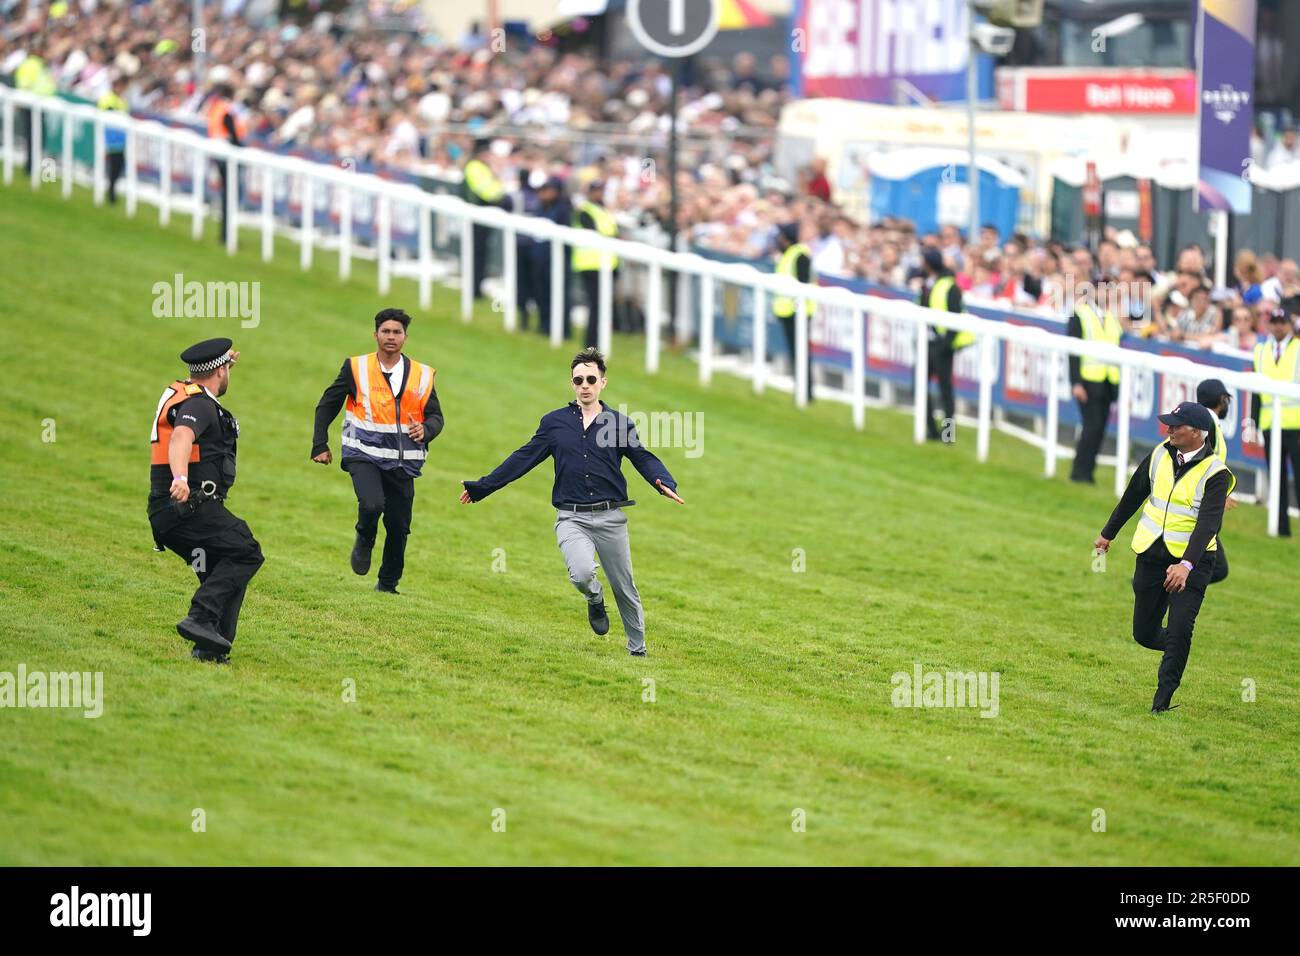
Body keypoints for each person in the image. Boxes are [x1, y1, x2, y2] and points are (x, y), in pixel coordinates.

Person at [458, 347, 684, 656]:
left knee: (624, 587)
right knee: (581, 573)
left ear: (603, 382)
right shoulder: (554, 424)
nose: (585, 385)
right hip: (571, 518)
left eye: (591, 379)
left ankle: (637, 649)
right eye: (579, 380)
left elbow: (642, 458)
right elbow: (523, 458)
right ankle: (594, 599)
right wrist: (483, 487)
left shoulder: (619, 424)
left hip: (610, 518)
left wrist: (663, 482)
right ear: (572, 383)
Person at [1094, 402, 1234, 713]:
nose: (1168, 429)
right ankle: (1177, 647)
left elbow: (1209, 524)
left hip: (1193, 564)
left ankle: (1162, 703)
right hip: (1151, 555)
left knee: (1181, 627)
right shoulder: (1159, 454)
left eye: (1176, 426)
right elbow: (1134, 493)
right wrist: (1108, 533)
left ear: (1196, 433)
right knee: (1144, 633)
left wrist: (1186, 565)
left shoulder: (1217, 474)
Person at [311, 309, 445, 593]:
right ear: (375, 335)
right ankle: (364, 538)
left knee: (399, 526)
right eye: (386, 331)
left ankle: (387, 584)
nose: (391, 337)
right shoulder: (356, 367)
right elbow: (327, 403)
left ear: (405, 337)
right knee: (372, 504)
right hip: (363, 453)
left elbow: (436, 416)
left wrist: (426, 429)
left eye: (397, 332)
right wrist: (319, 443)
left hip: (402, 462)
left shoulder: (421, 375)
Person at [148, 338, 264, 663]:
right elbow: (183, 437)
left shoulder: (188, 392)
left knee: (222, 570)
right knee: (246, 551)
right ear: (219, 371)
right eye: (227, 368)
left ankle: (210, 649)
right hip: (189, 506)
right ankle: (199, 617)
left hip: (170, 511)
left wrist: (224, 361)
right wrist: (181, 479)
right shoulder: (199, 405)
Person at [1248, 308, 1300, 537]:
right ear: (1269, 325)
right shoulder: (1260, 351)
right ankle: (1281, 528)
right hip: (1271, 424)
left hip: (1295, 425)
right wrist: (1253, 422)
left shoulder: (1298, 349)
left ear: (1289, 324)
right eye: (1275, 322)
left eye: (1282, 322)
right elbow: (1257, 392)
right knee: (1275, 478)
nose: (1279, 326)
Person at [1068, 292, 1123, 483]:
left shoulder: (1112, 316)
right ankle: (1079, 472)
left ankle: (1088, 473)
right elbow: (1072, 351)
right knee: (1091, 427)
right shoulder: (1079, 314)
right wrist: (1075, 383)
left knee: (1099, 430)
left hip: (1108, 382)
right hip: (1088, 381)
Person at [919, 248, 970, 440]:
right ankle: (932, 431)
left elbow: (956, 318)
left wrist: (945, 345)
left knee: (945, 391)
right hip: (928, 344)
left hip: (942, 347)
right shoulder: (927, 283)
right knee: (920, 387)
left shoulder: (950, 286)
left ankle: (948, 435)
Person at [571, 180, 621, 349]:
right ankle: (591, 342)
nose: (600, 194)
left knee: (602, 306)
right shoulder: (585, 210)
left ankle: (597, 341)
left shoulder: (604, 210)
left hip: (606, 264)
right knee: (596, 306)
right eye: (597, 190)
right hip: (591, 265)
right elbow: (599, 234)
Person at [1196, 378, 1236, 584]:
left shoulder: (1204, 422)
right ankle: (1162, 584)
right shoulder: (1208, 424)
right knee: (1217, 568)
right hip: (1202, 508)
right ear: (1222, 400)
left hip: (1203, 504)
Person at [772, 221, 815, 403]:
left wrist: (799, 310)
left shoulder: (800, 255)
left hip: (797, 313)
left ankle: (806, 392)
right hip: (788, 312)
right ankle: (801, 389)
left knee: (801, 353)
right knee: (795, 353)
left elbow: (803, 284)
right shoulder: (789, 254)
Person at [462, 138, 506, 300]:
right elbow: (490, 193)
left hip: (481, 216)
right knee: (477, 254)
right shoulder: (475, 167)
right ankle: (474, 289)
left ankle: (477, 287)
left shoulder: (480, 167)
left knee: (480, 254)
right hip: (476, 217)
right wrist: (498, 183)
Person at [531, 176, 573, 340]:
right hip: (540, 258)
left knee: (559, 295)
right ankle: (544, 325)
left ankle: (562, 330)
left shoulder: (563, 209)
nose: (544, 194)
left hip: (557, 261)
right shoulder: (540, 207)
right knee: (542, 293)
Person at [206, 84, 246, 245]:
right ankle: (226, 235)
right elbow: (232, 132)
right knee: (230, 195)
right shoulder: (227, 109)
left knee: (227, 194)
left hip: (217, 151)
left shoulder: (216, 107)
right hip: (227, 153)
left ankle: (225, 234)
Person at [97, 75, 128, 205]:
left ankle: (111, 190)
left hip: (120, 138)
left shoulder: (123, 101)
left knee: (118, 166)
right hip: (110, 137)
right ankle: (111, 193)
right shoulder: (107, 99)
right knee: (113, 165)